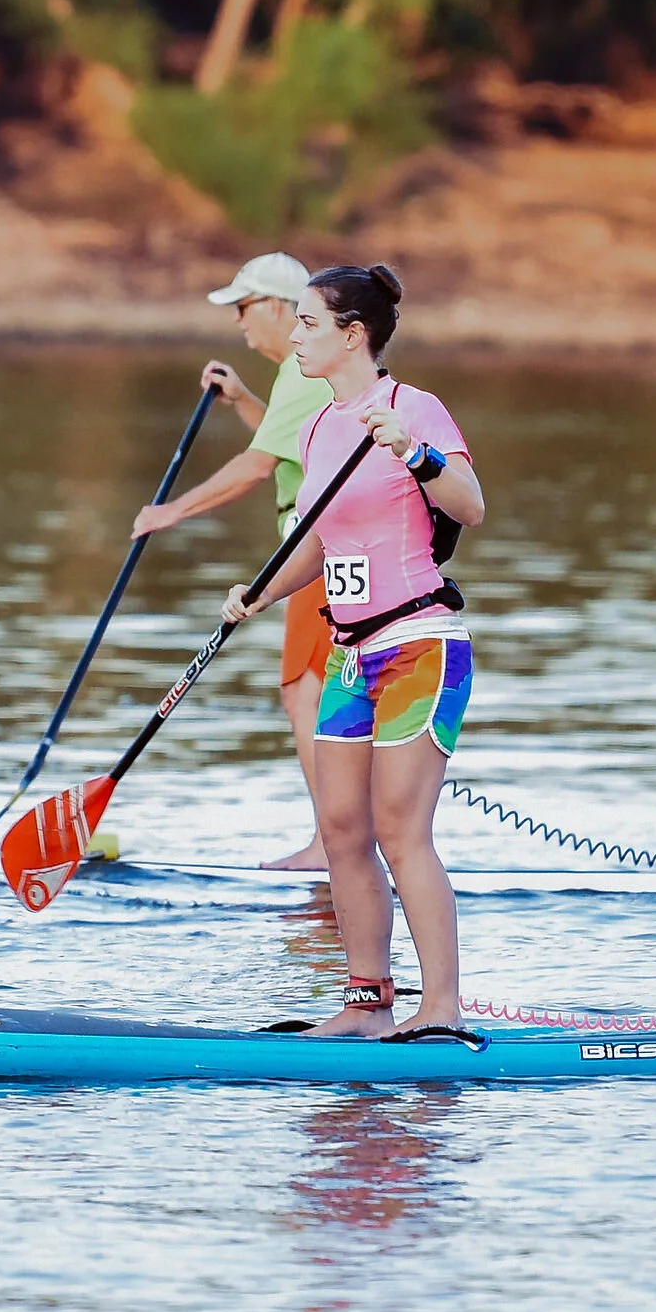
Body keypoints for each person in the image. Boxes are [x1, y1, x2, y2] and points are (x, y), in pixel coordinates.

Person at [221, 261, 484, 1036]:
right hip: (349, 654)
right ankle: (366, 1005)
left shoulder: (415, 408)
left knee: (402, 831)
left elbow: (470, 506)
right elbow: (317, 540)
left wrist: (413, 452)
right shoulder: (316, 425)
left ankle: (441, 1008)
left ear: (351, 334)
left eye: (307, 322)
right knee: (341, 828)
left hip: (419, 646)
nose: (295, 335)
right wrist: (260, 592)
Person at [130, 249, 334, 871]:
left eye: (245, 309)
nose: (241, 325)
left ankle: (331, 848)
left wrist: (172, 511)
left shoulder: (304, 372)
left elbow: (258, 465)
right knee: (317, 696)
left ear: (278, 307)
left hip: (317, 557)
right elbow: (281, 440)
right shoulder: (306, 372)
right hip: (329, 555)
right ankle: (341, 842)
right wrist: (243, 397)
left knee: (306, 694)